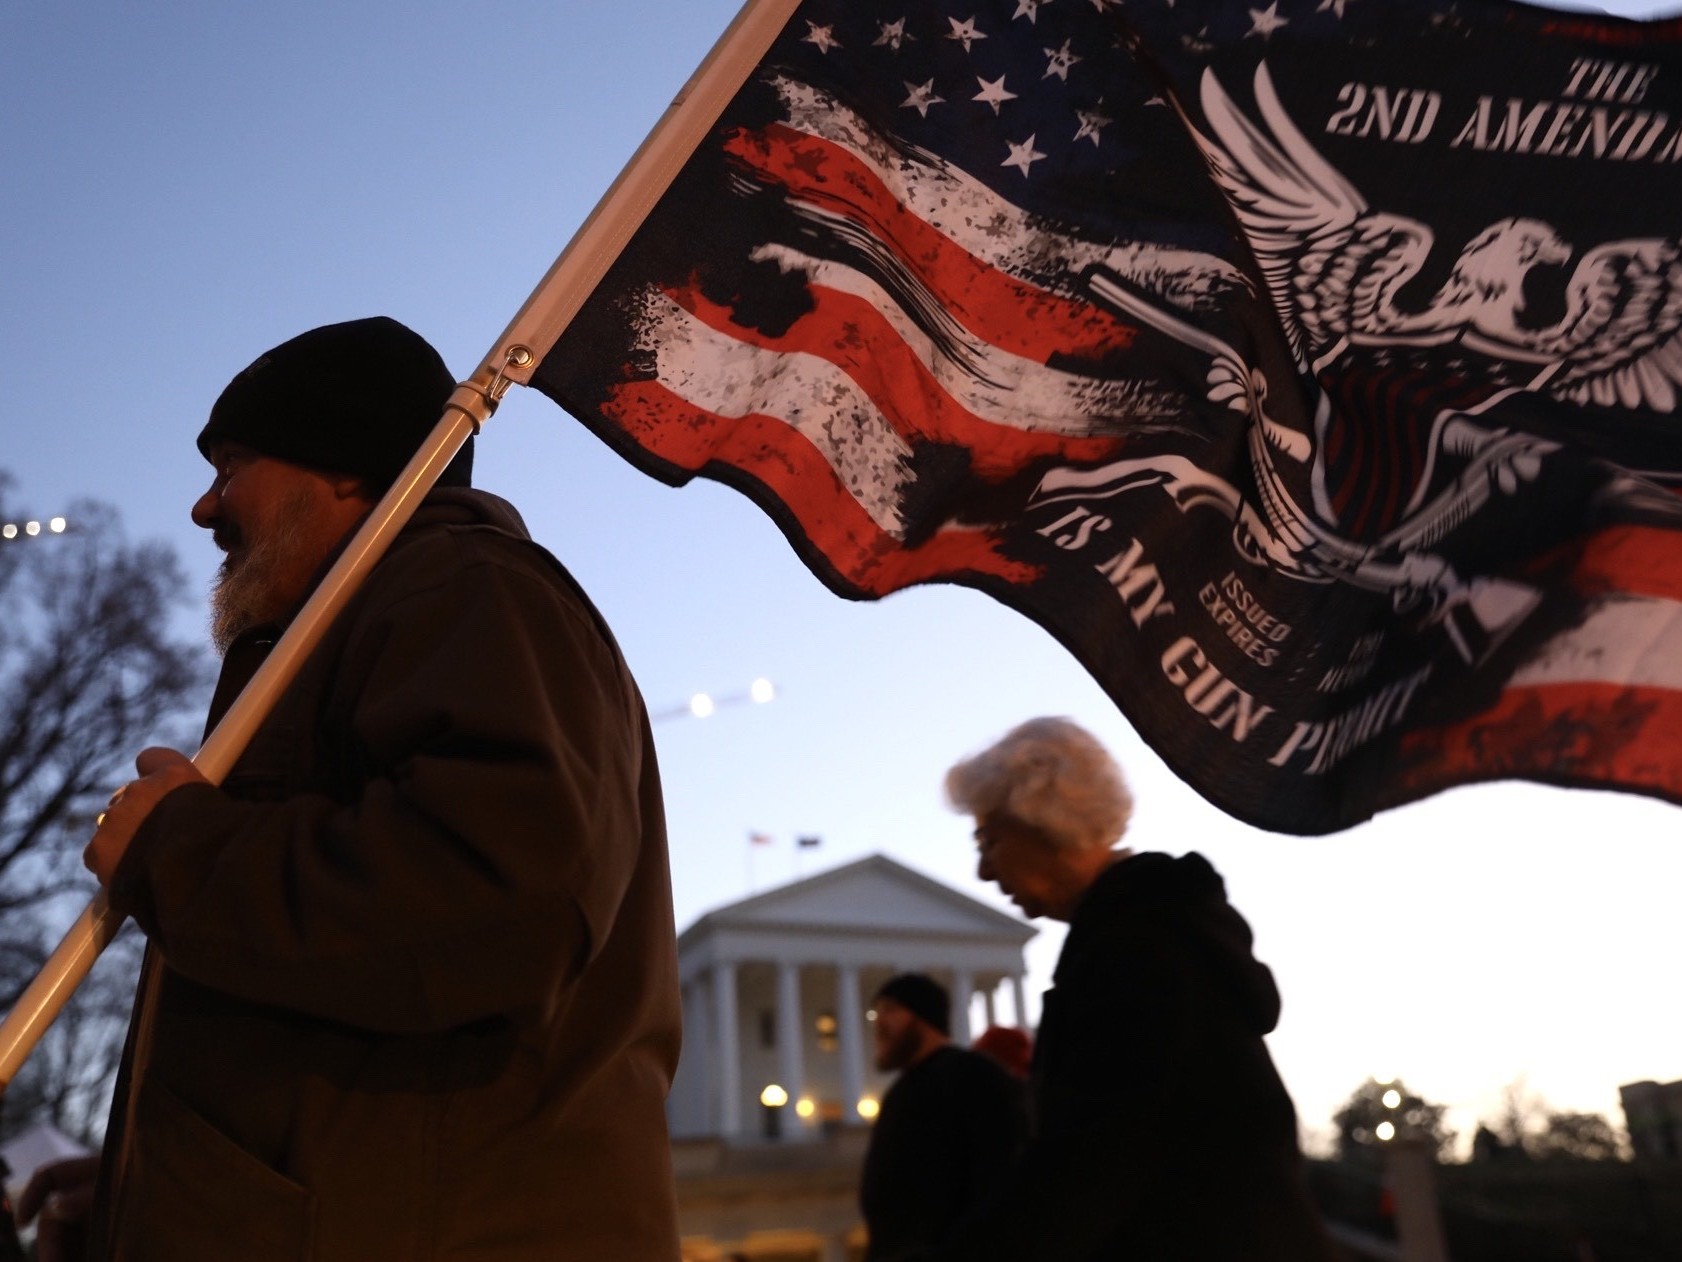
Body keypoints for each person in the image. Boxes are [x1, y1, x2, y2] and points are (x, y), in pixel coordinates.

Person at [55, 316, 681, 1260]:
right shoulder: (388, 619)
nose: (203, 508)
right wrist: (138, 1191)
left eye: (232, 467)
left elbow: (500, 894)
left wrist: (173, 849)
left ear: (344, 466)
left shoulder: (464, 587)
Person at [936, 717, 1337, 1262]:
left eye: (989, 840)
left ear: (1045, 820)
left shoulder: (1140, 955)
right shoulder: (1147, 937)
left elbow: (1087, 1168)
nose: (983, 870)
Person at [858, 973, 1027, 1262]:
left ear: (922, 1016)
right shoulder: (898, 1094)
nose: (879, 1023)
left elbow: (998, 1180)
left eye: (890, 1009)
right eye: (876, 1012)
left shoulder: (975, 1075)